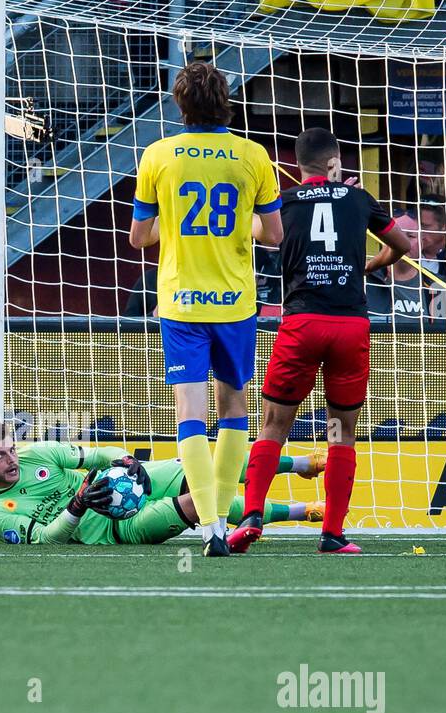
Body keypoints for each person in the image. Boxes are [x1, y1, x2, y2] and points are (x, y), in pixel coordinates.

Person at [128, 60, 283, 557]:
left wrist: (170, 227)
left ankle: (210, 524)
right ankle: (222, 509)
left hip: (181, 299)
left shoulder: (158, 155)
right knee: (234, 408)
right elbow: (275, 235)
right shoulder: (252, 155)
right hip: (236, 301)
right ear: (227, 101)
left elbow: (138, 238)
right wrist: (245, 225)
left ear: (179, 105)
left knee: (189, 412)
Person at [232, 128, 410, 555]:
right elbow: (402, 244)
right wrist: (370, 265)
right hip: (349, 327)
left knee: (274, 423)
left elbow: (257, 231)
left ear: (299, 164)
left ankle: (252, 515)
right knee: (340, 431)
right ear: (334, 163)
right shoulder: (359, 200)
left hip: (302, 324)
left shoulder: (285, 204)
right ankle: (332, 533)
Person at [0, 421, 323, 545]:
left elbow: (97, 455)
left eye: (11, 450)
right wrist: (78, 505)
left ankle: (302, 463)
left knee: (206, 466)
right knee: (200, 500)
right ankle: (301, 511)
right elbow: (47, 540)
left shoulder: (38, 454)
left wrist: (126, 461)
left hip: (126, 484)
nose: (12, 459)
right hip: (113, 530)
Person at [364, 213, 424, 326]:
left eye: (411, 236)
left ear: (422, 242)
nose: (403, 241)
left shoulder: (437, 286)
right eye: (397, 235)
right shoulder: (363, 281)